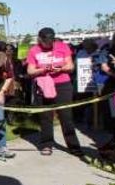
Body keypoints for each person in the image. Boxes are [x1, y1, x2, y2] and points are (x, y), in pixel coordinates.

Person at [26, 27, 82, 156]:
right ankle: (46, 144)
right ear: (39, 39)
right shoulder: (34, 50)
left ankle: (73, 145)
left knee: (66, 116)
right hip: (43, 85)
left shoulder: (62, 46)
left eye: (51, 42)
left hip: (62, 84)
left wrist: (60, 69)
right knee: (46, 116)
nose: (48, 44)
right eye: (46, 42)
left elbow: (70, 66)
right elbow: (30, 71)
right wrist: (42, 70)